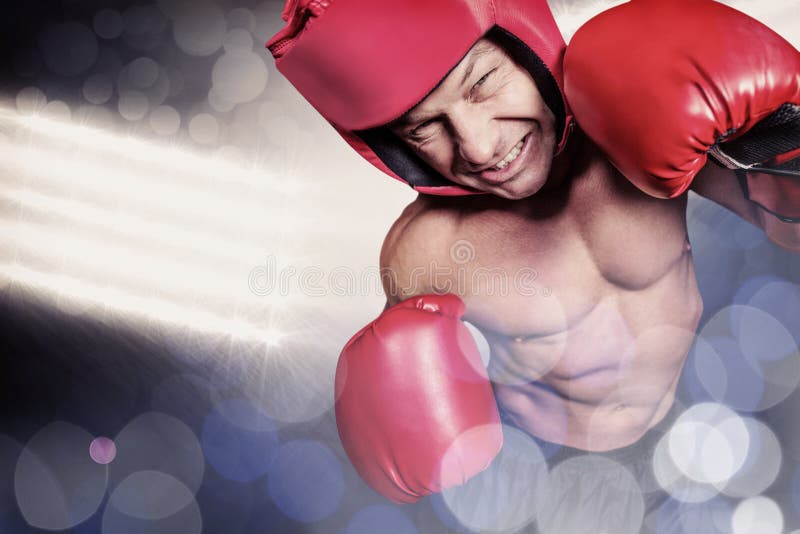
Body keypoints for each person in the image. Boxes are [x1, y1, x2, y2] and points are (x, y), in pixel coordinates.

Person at [266, 0, 800, 509]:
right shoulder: (427, 248)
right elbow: (409, 391)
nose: (478, 148)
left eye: (481, 83)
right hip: (559, 468)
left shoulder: (636, 131)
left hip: (707, 397)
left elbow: (785, 212)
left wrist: (785, 129)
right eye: (424, 127)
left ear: (530, 46)